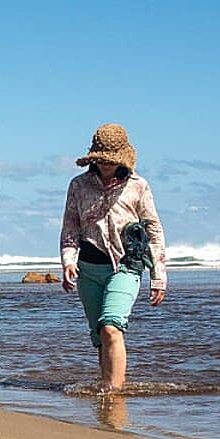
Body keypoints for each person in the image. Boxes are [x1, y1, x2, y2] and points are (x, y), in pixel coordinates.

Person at [60, 123, 167, 391]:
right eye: (102, 161)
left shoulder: (138, 186)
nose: (106, 166)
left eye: (111, 161)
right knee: (100, 336)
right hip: (88, 267)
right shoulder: (78, 185)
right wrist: (68, 261)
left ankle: (115, 394)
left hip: (126, 266)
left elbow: (153, 229)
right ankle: (107, 385)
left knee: (111, 327)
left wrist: (158, 276)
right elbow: (70, 227)